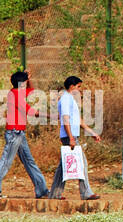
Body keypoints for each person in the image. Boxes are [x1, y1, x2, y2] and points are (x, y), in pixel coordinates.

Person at [48, 76, 99, 201]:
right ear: (72, 86)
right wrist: (71, 138)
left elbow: (78, 120)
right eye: (78, 86)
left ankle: (55, 194)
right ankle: (86, 193)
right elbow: (65, 119)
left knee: (63, 166)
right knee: (82, 163)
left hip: (70, 136)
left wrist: (91, 132)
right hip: (69, 136)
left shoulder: (70, 99)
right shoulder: (66, 99)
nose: (79, 90)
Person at [0, 71, 48, 199]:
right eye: (26, 81)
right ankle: (42, 190)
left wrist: (28, 79)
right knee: (5, 163)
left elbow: (31, 91)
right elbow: (31, 111)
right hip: (14, 133)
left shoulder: (17, 92)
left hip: (19, 133)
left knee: (29, 161)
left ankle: (42, 190)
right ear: (22, 83)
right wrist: (52, 116)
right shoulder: (15, 95)